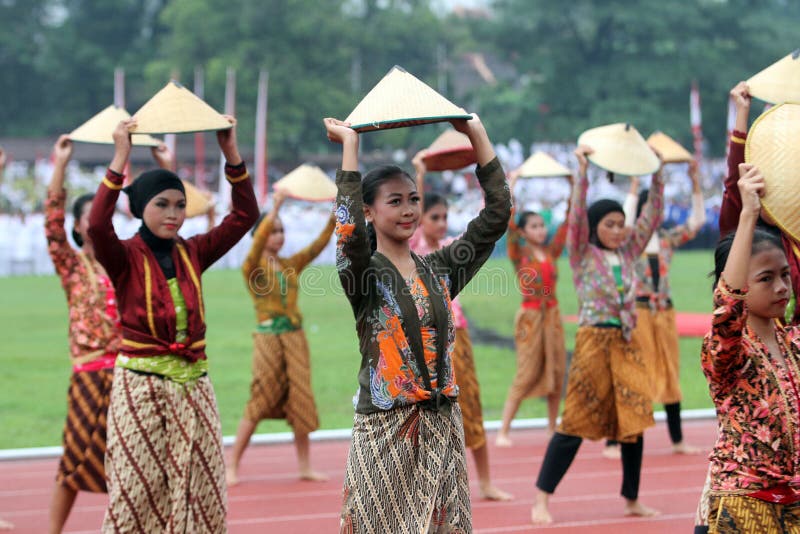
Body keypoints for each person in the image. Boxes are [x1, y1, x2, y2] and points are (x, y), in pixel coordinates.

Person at [325, 114, 510, 532]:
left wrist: (477, 133)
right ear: (369, 211)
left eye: (413, 199)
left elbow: (497, 215)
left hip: (441, 427)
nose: (409, 210)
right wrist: (350, 147)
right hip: (385, 432)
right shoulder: (362, 274)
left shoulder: (442, 269)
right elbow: (348, 233)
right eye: (395, 201)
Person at [88, 116, 258, 532]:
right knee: (137, 492)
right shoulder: (123, 256)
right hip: (141, 388)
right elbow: (95, 225)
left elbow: (245, 214)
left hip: (195, 387)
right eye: (161, 204)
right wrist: (120, 157)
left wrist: (230, 152)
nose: (174, 214)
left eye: (180, 205)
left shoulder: (194, 251)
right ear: (139, 208)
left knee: (200, 492)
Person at [531, 145, 664, 524]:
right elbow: (575, 219)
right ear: (595, 228)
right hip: (593, 341)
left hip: (626, 342)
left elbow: (652, 217)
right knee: (574, 421)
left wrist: (656, 173)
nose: (619, 230)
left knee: (634, 420)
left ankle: (632, 498)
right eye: (611, 224)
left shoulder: (629, 251)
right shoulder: (581, 253)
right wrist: (582, 173)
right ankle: (542, 497)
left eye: (622, 224)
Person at [407, 150, 512, 501]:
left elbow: (488, 226)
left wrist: (492, 176)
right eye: (434, 217)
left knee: (473, 404)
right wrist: (419, 175)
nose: (440, 222)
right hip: (424, 341)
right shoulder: (415, 250)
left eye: (444, 217)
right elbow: (414, 215)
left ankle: (484, 481)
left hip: (458, 336)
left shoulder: (452, 250)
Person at [702, 164, 800, 532]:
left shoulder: (793, 341)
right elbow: (729, 307)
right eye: (766, 278)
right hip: (744, 503)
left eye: (785, 275)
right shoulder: (727, 350)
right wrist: (748, 215)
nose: (781, 287)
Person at [226, 188, 335, 485]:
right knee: (259, 399)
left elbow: (317, 247)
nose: (278, 236)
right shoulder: (252, 269)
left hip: (295, 338)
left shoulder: (288, 265)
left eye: (281, 231)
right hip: (268, 339)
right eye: (272, 231)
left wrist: (334, 218)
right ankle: (232, 465)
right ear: (260, 234)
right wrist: (274, 209)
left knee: (300, 397)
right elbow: (256, 244)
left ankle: (304, 466)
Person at [44, 135, 123, 533]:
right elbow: (51, 226)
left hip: (129, 377)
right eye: (87, 215)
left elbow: (159, 217)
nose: (95, 220)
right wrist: (60, 164)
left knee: (130, 460)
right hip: (90, 375)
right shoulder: (72, 267)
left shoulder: (126, 262)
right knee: (74, 459)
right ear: (78, 226)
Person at [602, 165, 706, 459]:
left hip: (664, 312)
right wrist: (634, 188)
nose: (652, 215)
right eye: (648, 208)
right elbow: (624, 222)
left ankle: (677, 440)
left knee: (671, 371)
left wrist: (696, 184)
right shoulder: (629, 241)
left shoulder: (667, 238)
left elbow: (697, 221)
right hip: (640, 313)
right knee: (635, 371)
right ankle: (615, 440)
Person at [496, 170, 571, 444]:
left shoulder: (551, 252)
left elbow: (567, 225)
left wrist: (574, 188)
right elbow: (509, 223)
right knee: (526, 372)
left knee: (556, 369)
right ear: (524, 231)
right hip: (530, 316)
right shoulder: (520, 253)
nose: (540, 230)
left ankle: (552, 428)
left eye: (542, 226)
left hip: (552, 315)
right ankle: (504, 430)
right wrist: (512, 186)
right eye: (534, 227)